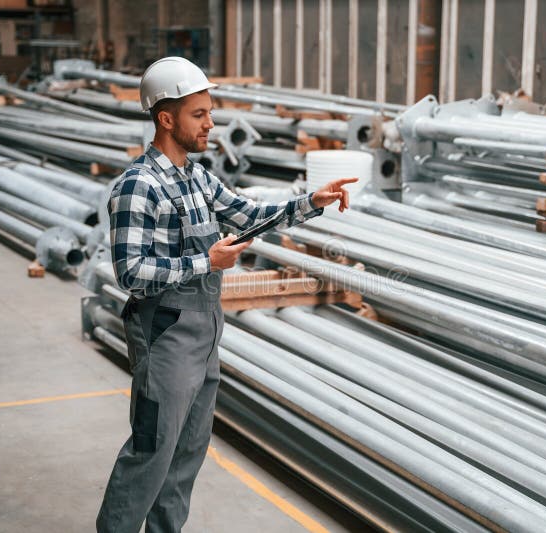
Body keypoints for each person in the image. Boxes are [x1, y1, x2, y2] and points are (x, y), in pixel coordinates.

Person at [97, 56, 358, 533]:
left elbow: (250, 213)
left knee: (187, 455)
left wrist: (311, 202)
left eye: (210, 112)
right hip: (165, 332)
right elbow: (131, 274)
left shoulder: (197, 180)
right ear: (166, 118)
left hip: (204, 330)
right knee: (152, 450)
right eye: (199, 115)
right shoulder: (139, 186)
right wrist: (206, 262)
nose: (210, 124)